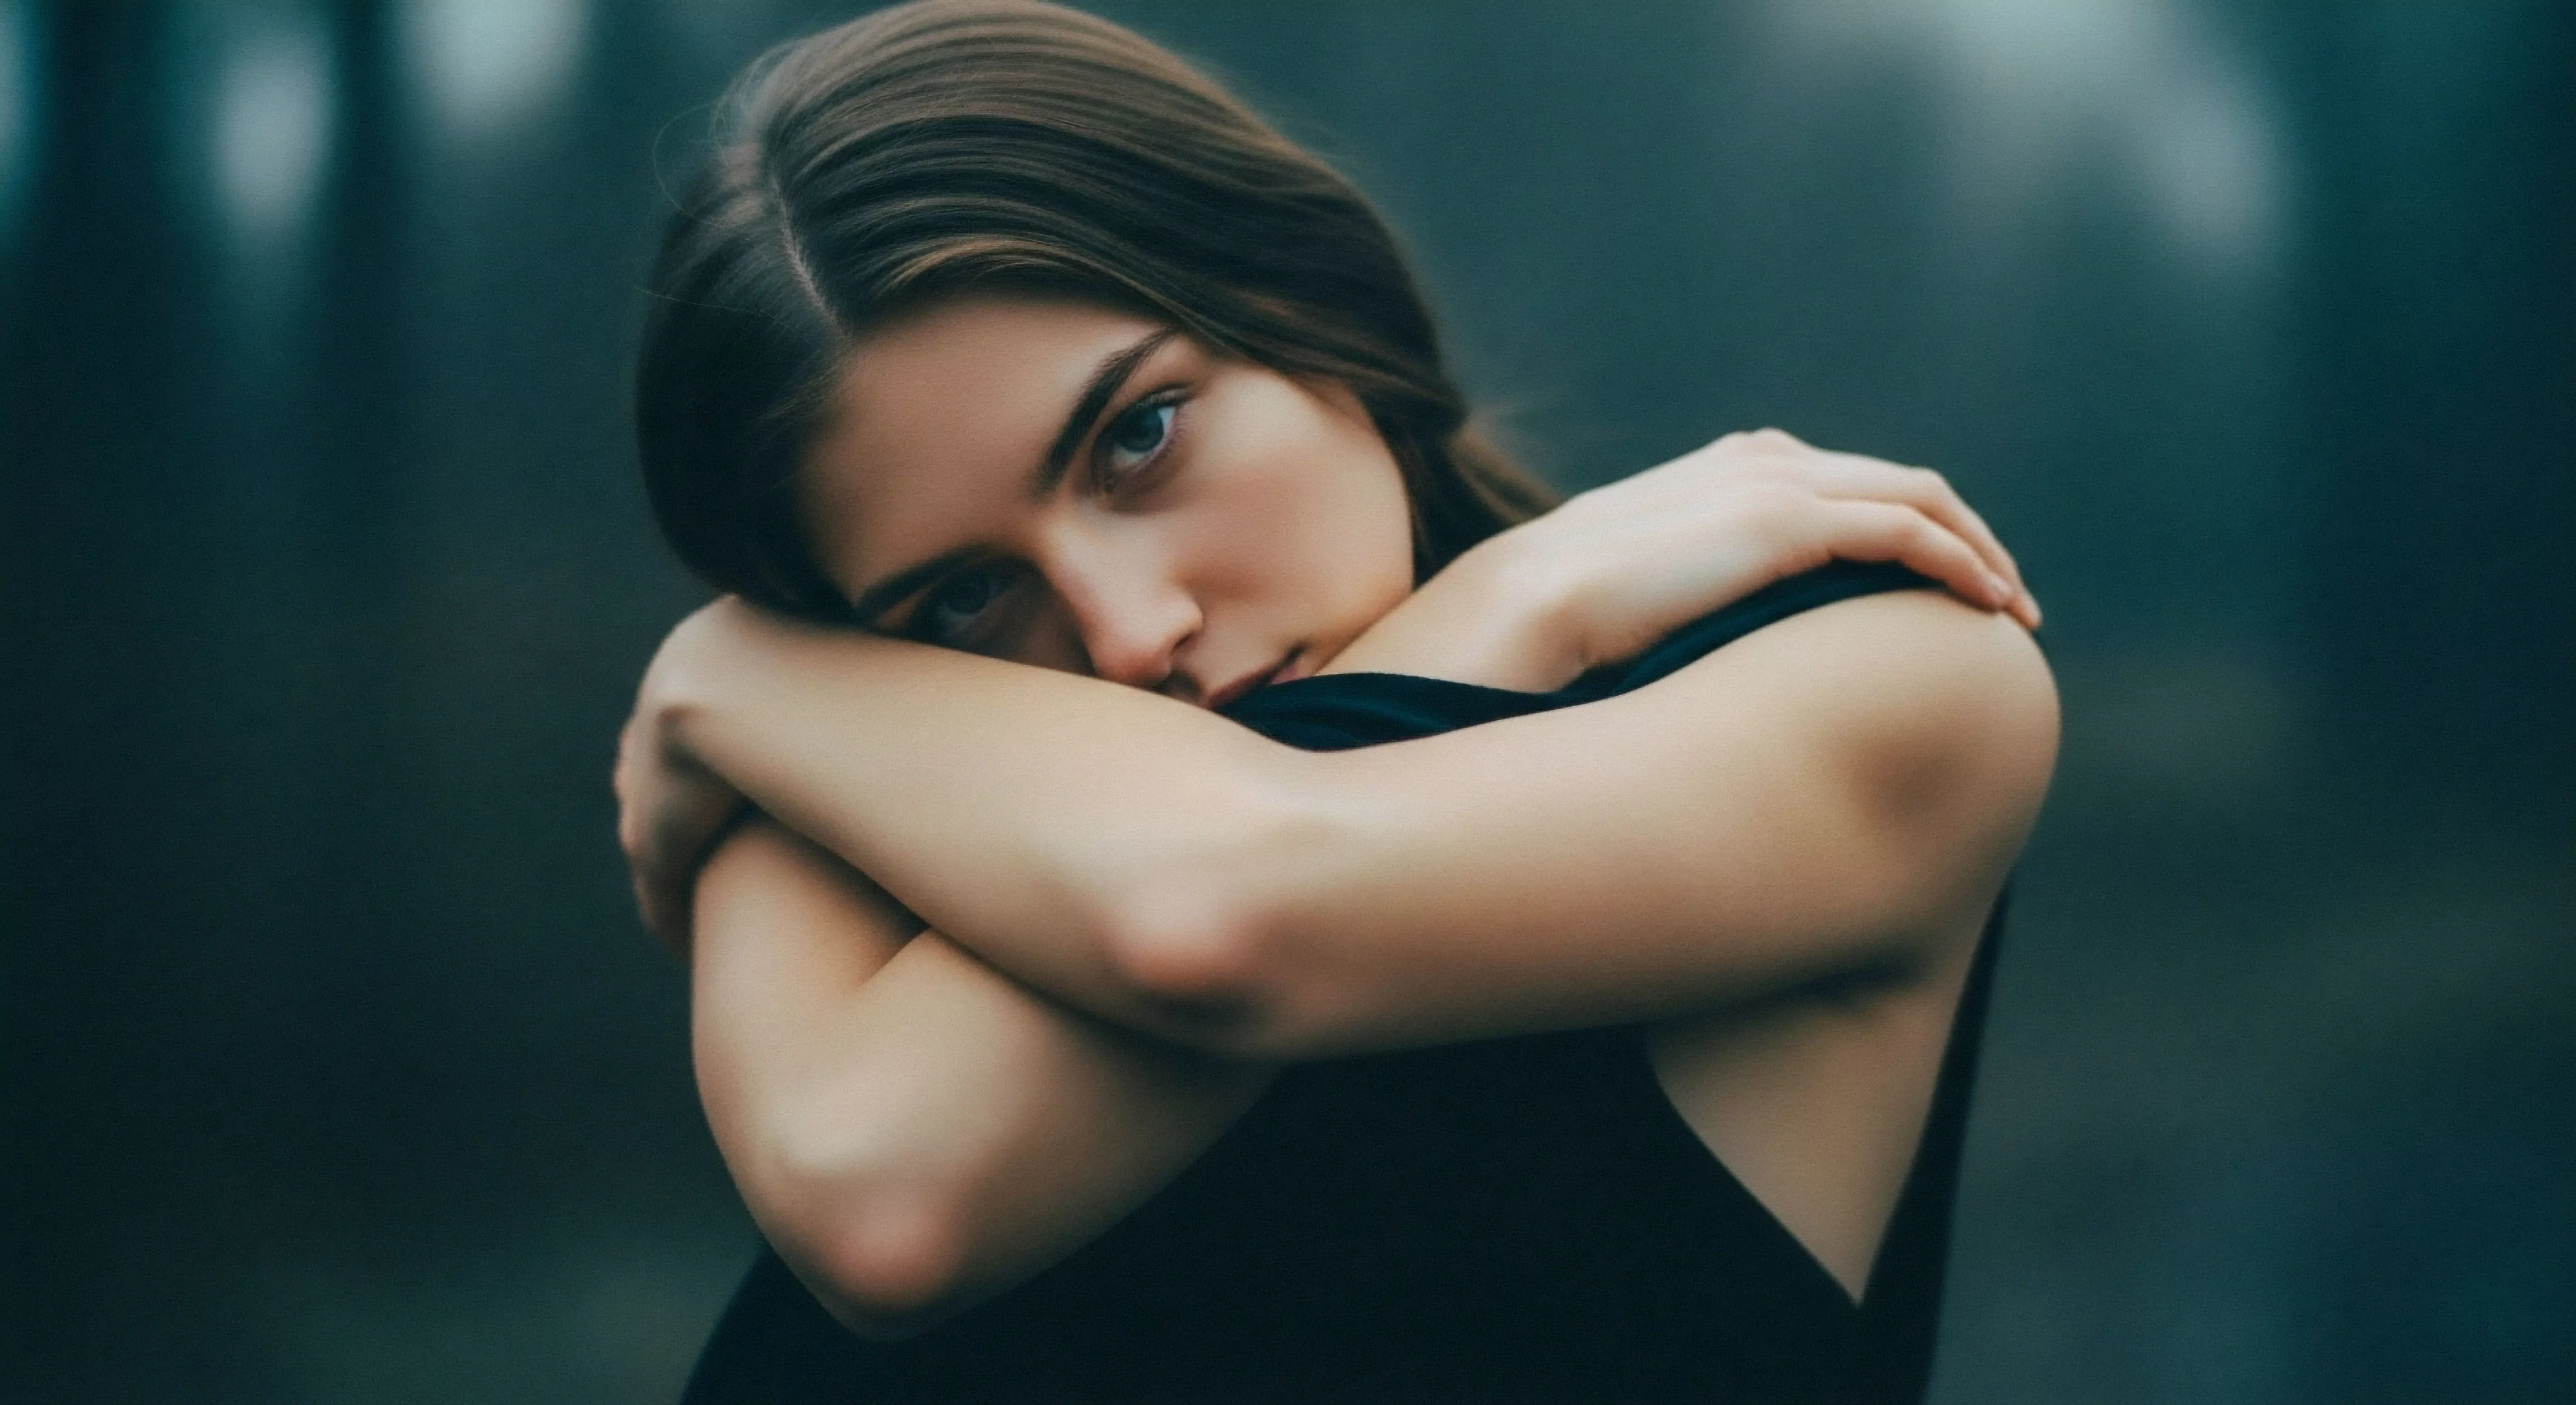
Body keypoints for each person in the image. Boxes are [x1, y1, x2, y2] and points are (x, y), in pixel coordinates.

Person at [614, 2, 2058, 1400]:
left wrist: (719, 671)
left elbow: (1216, 915)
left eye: (1139, 437)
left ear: (1306, 294)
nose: (1132, 636)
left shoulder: (1874, 666)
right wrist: (1488, 620)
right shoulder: (828, 775)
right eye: (965, 597)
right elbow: (881, 1198)